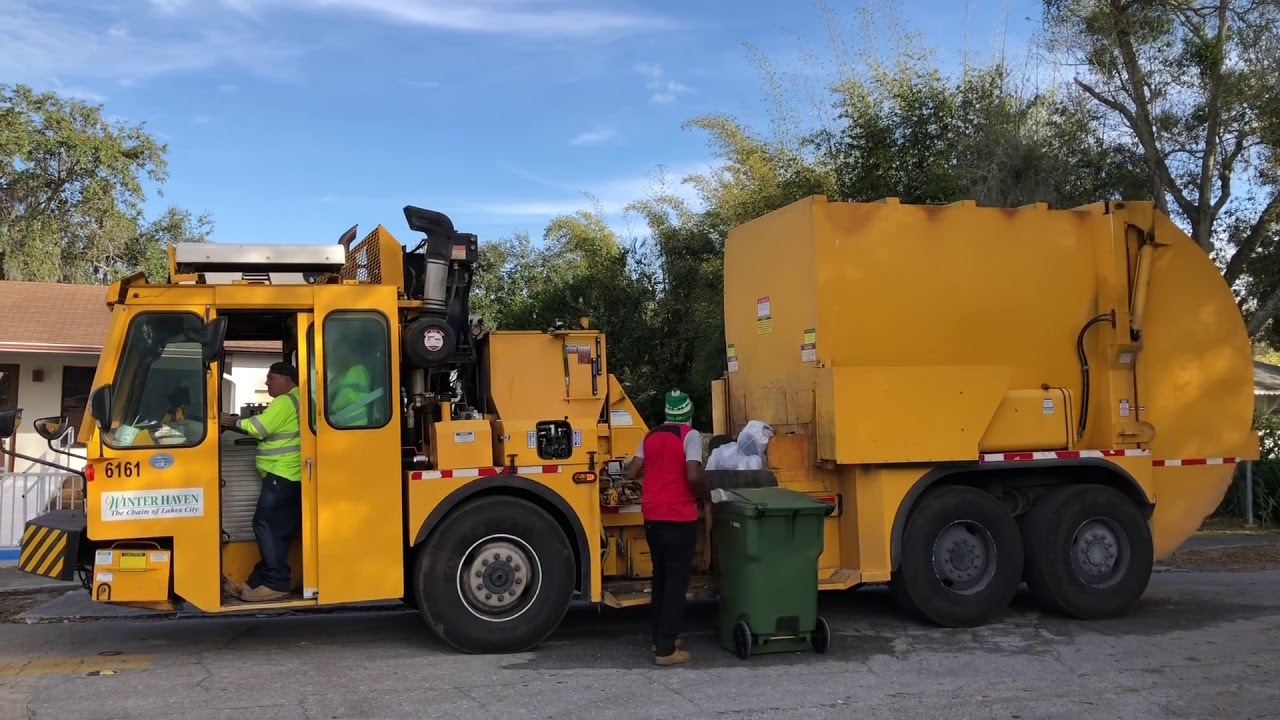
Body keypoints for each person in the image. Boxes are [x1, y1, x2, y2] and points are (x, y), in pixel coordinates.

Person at [625, 389, 703, 666]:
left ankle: (658, 638)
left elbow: (631, 472)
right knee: (676, 581)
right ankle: (666, 649)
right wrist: (704, 491)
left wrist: (654, 478)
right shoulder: (689, 435)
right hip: (679, 515)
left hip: (652, 516)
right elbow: (693, 474)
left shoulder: (650, 436)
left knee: (660, 577)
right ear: (688, 412)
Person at [221, 362, 302, 602]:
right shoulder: (300, 399)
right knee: (277, 530)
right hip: (290, 475)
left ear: (288, 380)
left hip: (282, 473)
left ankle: (275, 583)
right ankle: (256, 582)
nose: (267, 382)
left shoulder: (285, 401)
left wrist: (229, 422)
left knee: (266, 525)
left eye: (272, 378)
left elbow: (260, 428)